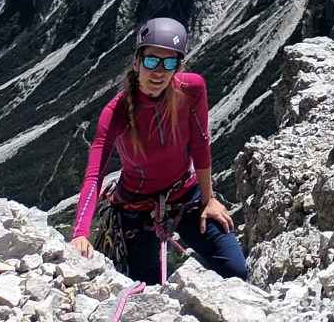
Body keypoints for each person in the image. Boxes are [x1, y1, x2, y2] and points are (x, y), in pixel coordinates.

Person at [69, 17, 249, 284]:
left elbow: (200, 144)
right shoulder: (115, 112)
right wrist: (80, 232)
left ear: (178, 67)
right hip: (136, 207)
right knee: (146, 286)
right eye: (151, 61)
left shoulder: (193, 88)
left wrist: (209, 199)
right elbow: (95, 174)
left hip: (187, 194)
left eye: (169, 63)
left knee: (236, 270)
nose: (159, 72)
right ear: (136, 63)